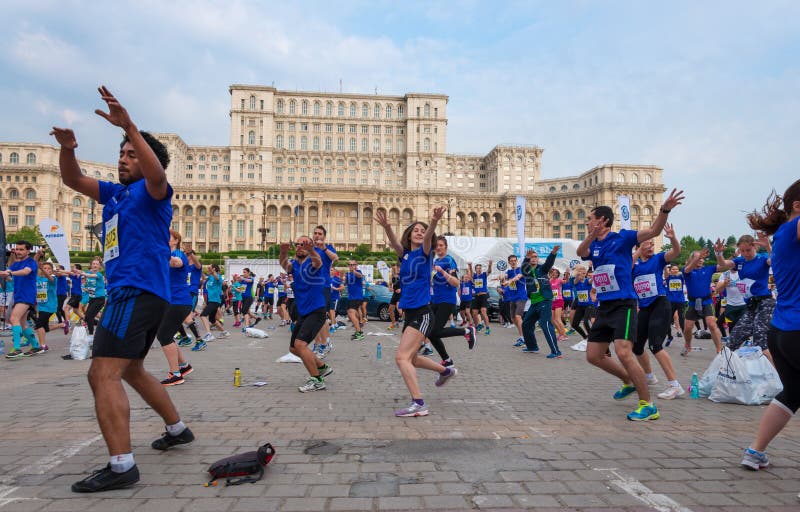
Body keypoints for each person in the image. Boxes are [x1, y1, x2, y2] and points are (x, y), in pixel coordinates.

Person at [51, 86, 194, 492]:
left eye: (131, 153)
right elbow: (72, 178)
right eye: (121, 153)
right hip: (137, 293)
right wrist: (68, 147)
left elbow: (158, 174)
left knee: (101, 374)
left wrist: (130, 126)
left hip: (135, 290)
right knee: (130, 369)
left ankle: (121, 467)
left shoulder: (153, 192)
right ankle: (177, 429)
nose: (123, 158)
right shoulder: (115, 194)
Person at [577, 189, 684, 421]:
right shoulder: (594, 244)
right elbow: (581, 251)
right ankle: (628, 380)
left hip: (624, 304)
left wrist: (665, 210)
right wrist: (591, 235)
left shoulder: (623, 238)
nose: (587, 222)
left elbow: (654, 231)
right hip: (604, 305)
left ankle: (648, 405)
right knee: (593, 355)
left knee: (624, 352)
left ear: (602, 220)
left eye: (590, 219)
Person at [740, 179, 800, 471]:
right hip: (796, 328)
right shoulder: (793, 229)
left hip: (782, 330)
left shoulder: (783, 237)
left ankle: (755, 452)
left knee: (792, 394)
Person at [376, 207, 457, 417]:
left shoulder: (425, 253)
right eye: (416, 230)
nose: (420, 232)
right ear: (409, 235)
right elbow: (395, 243)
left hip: (422, 312)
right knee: (411, 359)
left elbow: (430, 236)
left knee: (401, 358)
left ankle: (419, 403)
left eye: (423, 230)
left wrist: (434, 222)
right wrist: (386, 227)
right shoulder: (405, 256)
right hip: (410, 313)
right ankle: (446, 370)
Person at [631, 224, 684, 400]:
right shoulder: (635, 263)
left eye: (653, 242)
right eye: (647, 242)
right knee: (637, 346)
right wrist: (638, 250)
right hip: (645, 307)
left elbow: (676, 252)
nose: (651, 245)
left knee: (655, 345)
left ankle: (674, 385)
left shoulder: (659, 259)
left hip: (660, 303)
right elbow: (626, 266)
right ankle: (649, 377)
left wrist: (673, 238)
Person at [279, 237, 333, 392]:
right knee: (293, 348)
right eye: (297, 244)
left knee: (300, 345)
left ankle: (317, 380)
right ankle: (322, 367)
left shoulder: (314, 261)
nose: (299, 246)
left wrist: (311, 250)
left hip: (316, 310)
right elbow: (284, 264)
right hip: (303, 312)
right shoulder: (295, 265)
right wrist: (283, 252)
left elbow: (318, 262)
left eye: (304, 244)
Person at [714, 234, 776, 364]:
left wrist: (768, 246)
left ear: (755, 247)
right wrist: (718, 253)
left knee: (760, 342)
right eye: (742, 251)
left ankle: (779, 375)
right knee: (732, 341)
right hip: (750, 305)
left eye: (748, 250)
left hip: (765, 303)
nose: (745, 253)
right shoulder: (739, 261)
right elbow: (724, 264)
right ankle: (725, 372)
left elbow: (776, 261)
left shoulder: (762, 258)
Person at [429, 236, 476, 367]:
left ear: (446, 247)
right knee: (429, 332)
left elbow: (456, 283)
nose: (438, 248)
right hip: (435, 301)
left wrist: (443, 272)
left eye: (441, 245)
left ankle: (467, 331)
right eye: (436, 245)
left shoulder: (449, 261)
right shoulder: (435, 261)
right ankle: (447, 360)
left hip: (447, 300)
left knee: (436, 331)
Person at [156, 230, 195, 386]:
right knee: (167, 335)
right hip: (174, 302)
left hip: (178, 302)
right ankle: (184, 366)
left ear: (175, 240)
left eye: (169, 238)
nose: (165, 239)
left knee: (164, 336)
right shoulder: (165, 256)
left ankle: (175, 374)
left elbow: (176, 263)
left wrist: (164, 254)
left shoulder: (178, 254)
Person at [0, 241, 40, 359]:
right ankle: (35, 345)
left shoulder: (31, 262)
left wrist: (9, 272)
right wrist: (5, 275)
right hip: (18, 296)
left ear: (28, 251)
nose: (18, 252)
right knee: (22, 324)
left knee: (14, 319)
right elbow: (10, 279)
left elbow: (26, 272)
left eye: (21, 249)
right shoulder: (15, 265)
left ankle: (17, 349)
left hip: (27, 296)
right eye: (17, 249)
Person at [680, 249, 724, 355]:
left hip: (707, 301)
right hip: (692, 302)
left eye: (701, 258)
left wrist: (720, 254)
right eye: (697, 258)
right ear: (691, 259)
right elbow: (687, 269)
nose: (700, 260)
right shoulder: (687, 270)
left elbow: (723, 265)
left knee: (712, 325)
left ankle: (719, 350)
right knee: (687, 328)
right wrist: (697, 257)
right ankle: (688, 345)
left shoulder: (709, 269)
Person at [519, 246, 560, 356]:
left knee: (545, 324)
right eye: (531, 257)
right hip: (534, 302)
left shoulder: (542, 269)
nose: (534, 258)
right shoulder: (527, 271)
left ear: (538, 259)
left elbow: (549, 263)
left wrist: (553, 253)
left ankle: (556, 351)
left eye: (535, 257)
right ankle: (532, 347)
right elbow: (523, 270)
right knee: (526, 324)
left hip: (545, 301)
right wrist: (526, 259)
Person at [311, 225, 338, 357]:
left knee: (320, 317)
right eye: (315, 233)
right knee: (312, 317)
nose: (317, 235)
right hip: (311, 287)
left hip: (324, 285)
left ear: (324, 236)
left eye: (320, 234)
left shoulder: (328, 248)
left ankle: (325, 343)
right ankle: (317, 344)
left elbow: (335, 258)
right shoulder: (310, 249)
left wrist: (324, 248)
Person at [196, 264, 229, 349]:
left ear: (214, 269)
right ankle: (224, 332)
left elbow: (217, 279)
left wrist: (213, 271)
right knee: (212, 319)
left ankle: (209, 334)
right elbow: (204, 277)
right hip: (211, 301)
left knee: (203, 315)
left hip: (215, 301)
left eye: (210, 267)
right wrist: (199, 269)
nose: (208, 268)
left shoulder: (218, 277)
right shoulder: (210, 278)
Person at [505, 254, 529, 346]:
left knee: (518, 316)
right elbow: (505, 276)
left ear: (517, 261)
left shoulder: (521, 270)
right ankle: (521, 336)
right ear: (509, 262)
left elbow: (517, 277)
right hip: (512, 298)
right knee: (513, 319)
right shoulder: (509, 271)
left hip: (521, 297)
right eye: (511, 261)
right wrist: (502, 278)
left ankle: (524, 338)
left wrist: (509, 281)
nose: (513, 262)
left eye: (515, 260)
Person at [569, 265, 596, 342]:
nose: (582, 275)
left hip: (589, 305)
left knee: (586, 322)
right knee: (574, 324)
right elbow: (576, 279)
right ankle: (585, 337)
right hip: (580, 306)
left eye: (584, 273)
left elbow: (591, 280)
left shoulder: (587, 281)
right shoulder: (576, 281)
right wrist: (578, 272)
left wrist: (594, 274)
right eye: (581, 273)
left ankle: (591, 339)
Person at [469, 260, 493, 334]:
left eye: (480, 268)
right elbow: (471, 272)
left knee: (483, 312)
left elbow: (489, 271)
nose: (479, 269)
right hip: (476, 296)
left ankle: (488, 328)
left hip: (483, 296)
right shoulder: (474, 275)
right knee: (474, 313)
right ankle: (478, 326)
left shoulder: (484, 275)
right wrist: (470, 266)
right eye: (477, 268)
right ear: (476, 269)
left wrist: (490, 265)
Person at [345, 260, 366, 341]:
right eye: (350, 264)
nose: (351, 266)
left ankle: (359, 333)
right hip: (351, 297)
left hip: (357, 297)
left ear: (356, 265)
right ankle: (359, 329)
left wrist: (354, 270)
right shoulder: (347, 274)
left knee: (350, 313)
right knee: (352, 314)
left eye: (353, 264)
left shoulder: (358, 271)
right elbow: (346, 284)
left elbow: (360, 276)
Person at [665, 264, 686, 343]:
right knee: (668, 321)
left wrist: (688, 263)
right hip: (670, 302)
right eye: (673, 269)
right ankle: (670, 337)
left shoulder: (680, 277)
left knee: (682, 320)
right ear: (670, 271)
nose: (675, 270)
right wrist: (665, 266)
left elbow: (685, 271)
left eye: (676, 269)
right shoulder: (668, 278)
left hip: (680, 301)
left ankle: (686, 340)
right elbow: (665, 272)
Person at [549, 268, 568, 341]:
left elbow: (566, 281)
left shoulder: (559, 280)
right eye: (552, 273)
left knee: (557, 319)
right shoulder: (549, 281)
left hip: (559, 300)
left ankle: (564, 335)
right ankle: (560, 334)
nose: (554, 274)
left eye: (555, 273)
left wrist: (566, 274)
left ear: (558, 274)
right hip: (552, 301)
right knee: (552, 320)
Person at [388, 264, 402, 330]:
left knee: (398, 307)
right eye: (393, 269)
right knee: (390, 309)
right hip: (395, 294)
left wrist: (401, 289)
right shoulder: (392, 276)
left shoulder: (402, 275)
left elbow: (407, 285)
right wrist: (390, 288)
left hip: (401, 293)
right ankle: (393, 323)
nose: (394, 270)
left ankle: (409, 320)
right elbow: (390, 284)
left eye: (395, 268)